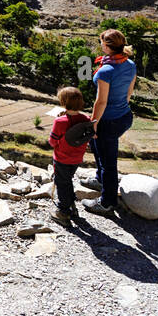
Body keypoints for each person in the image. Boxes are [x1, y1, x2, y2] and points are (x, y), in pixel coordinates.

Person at [84, 28, 137, 216]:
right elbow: (129, 92)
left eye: (101, 42)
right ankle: (100, 180)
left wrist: (93, 124)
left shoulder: (105, 71)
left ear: (106, 46)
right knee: (98, 147)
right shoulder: (129, 64)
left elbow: (101, 101)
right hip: (124, 116)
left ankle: (107, 202)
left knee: (108, 162)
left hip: (108, 120)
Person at [48, 86, 94, 224]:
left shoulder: (59, 121)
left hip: (62, 158)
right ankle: (72, 206)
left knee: (62, 183)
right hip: (76, 159)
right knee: (67, 180)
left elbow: (52, 142)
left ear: (63, 102)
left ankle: (63, 213)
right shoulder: (86, 118)